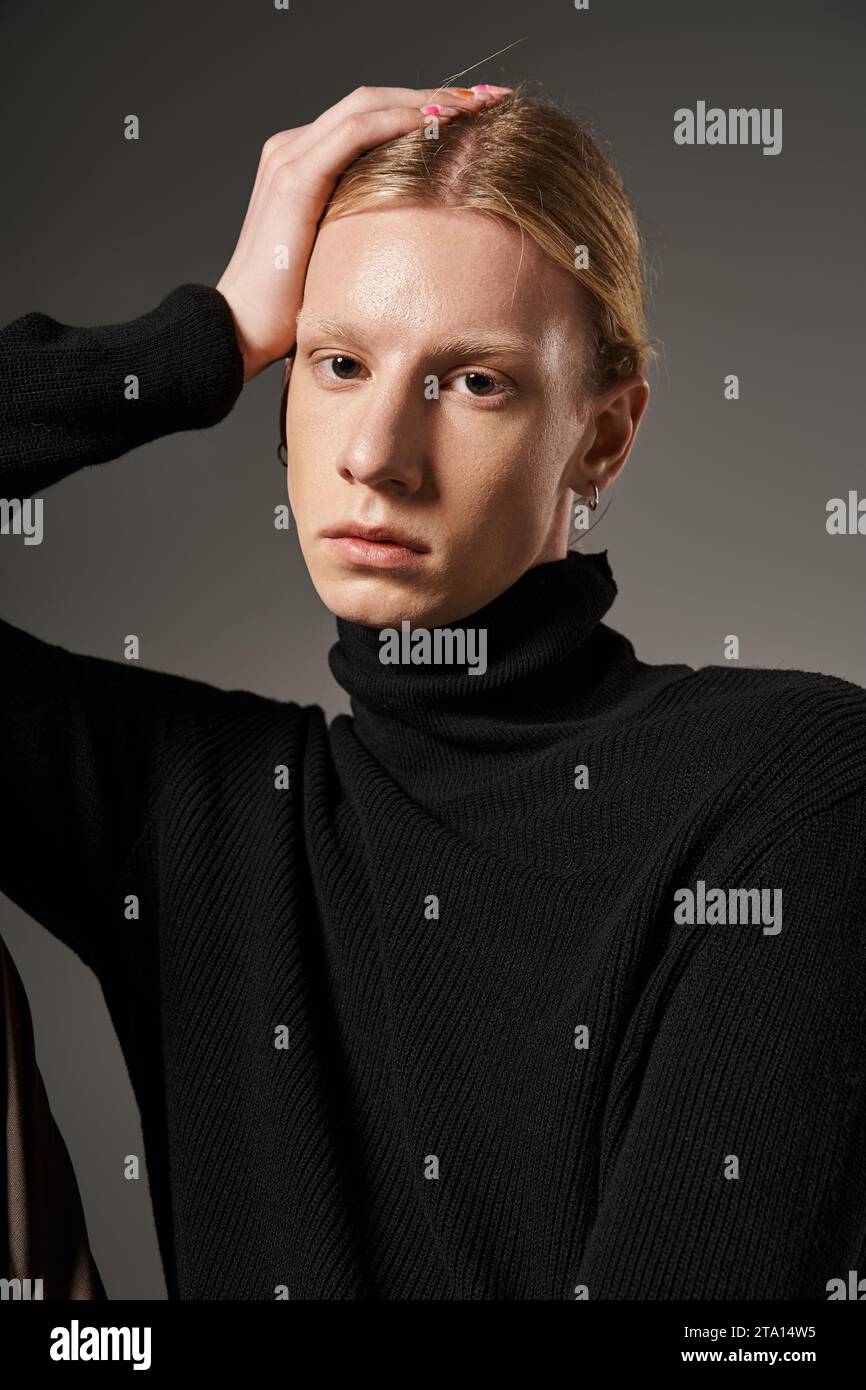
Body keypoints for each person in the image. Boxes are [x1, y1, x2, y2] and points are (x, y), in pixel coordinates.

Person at [2, 79, 865, 1301]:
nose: (374, 455)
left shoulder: (789, 787)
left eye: (474, 383)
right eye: (338, 362)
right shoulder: (190, 814)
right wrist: (195, 340)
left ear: (602, 436)